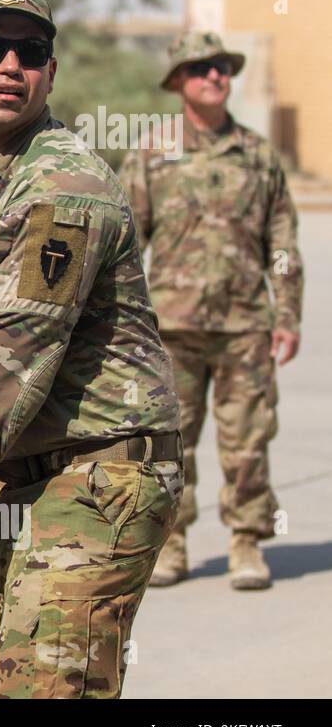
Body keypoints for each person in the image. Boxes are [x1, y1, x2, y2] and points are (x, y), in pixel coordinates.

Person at [0, 0, 183, 699]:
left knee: (43, 687)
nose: (10, 66)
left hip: (100, 475)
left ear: (52, 73)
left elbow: (11, 348)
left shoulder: (64, 182)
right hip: (20, 476)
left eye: (30, 52)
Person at [120, 31, 303, 590]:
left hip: (246, 323)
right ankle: (172, 545)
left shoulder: (258, 154)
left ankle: (246, 542)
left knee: (247, 440)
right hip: (172, 326)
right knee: (171, 442)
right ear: (178, 81)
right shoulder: (153, 152)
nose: (214, 76)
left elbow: (283, 242)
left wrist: (287, 314)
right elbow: (126, 245)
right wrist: (125, 323)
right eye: (200, 69)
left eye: (221, 67)